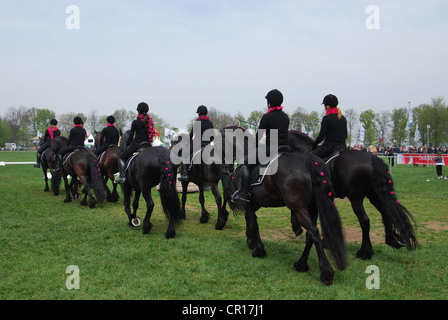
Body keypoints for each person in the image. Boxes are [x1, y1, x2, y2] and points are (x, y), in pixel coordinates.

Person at [231, 89, 290, 203]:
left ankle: (243, 193)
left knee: (246, 164)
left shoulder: (267, 117)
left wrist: (255, 145)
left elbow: (258, 137)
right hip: (285, 148)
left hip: (270, 149)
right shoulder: (285, 117)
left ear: (269, 103)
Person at [115, 102, 156, 184]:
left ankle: (123, 177)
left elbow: (130, 136)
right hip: (148, 145)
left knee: (121, 158)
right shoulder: (150, 121)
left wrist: (127, 143)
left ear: (138, 111)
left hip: (137, 144)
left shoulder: (135, 122)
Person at [178, 105, 214, 181]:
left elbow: (191, 135)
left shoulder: (197, 122)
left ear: (199, 113)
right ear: (206, 113)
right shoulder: (210, 123)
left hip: (197, 144)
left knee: (183, 156)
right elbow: (212, 137)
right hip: (207, 145)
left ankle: (184, 174)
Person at [312, 94, 347, 160]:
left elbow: (321, 136)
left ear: (327, 106)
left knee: (310, 158)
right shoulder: (343, 118)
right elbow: (345, 135)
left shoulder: (326, 118)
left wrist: (314, 145)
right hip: (342, 147)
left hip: (329, 148)